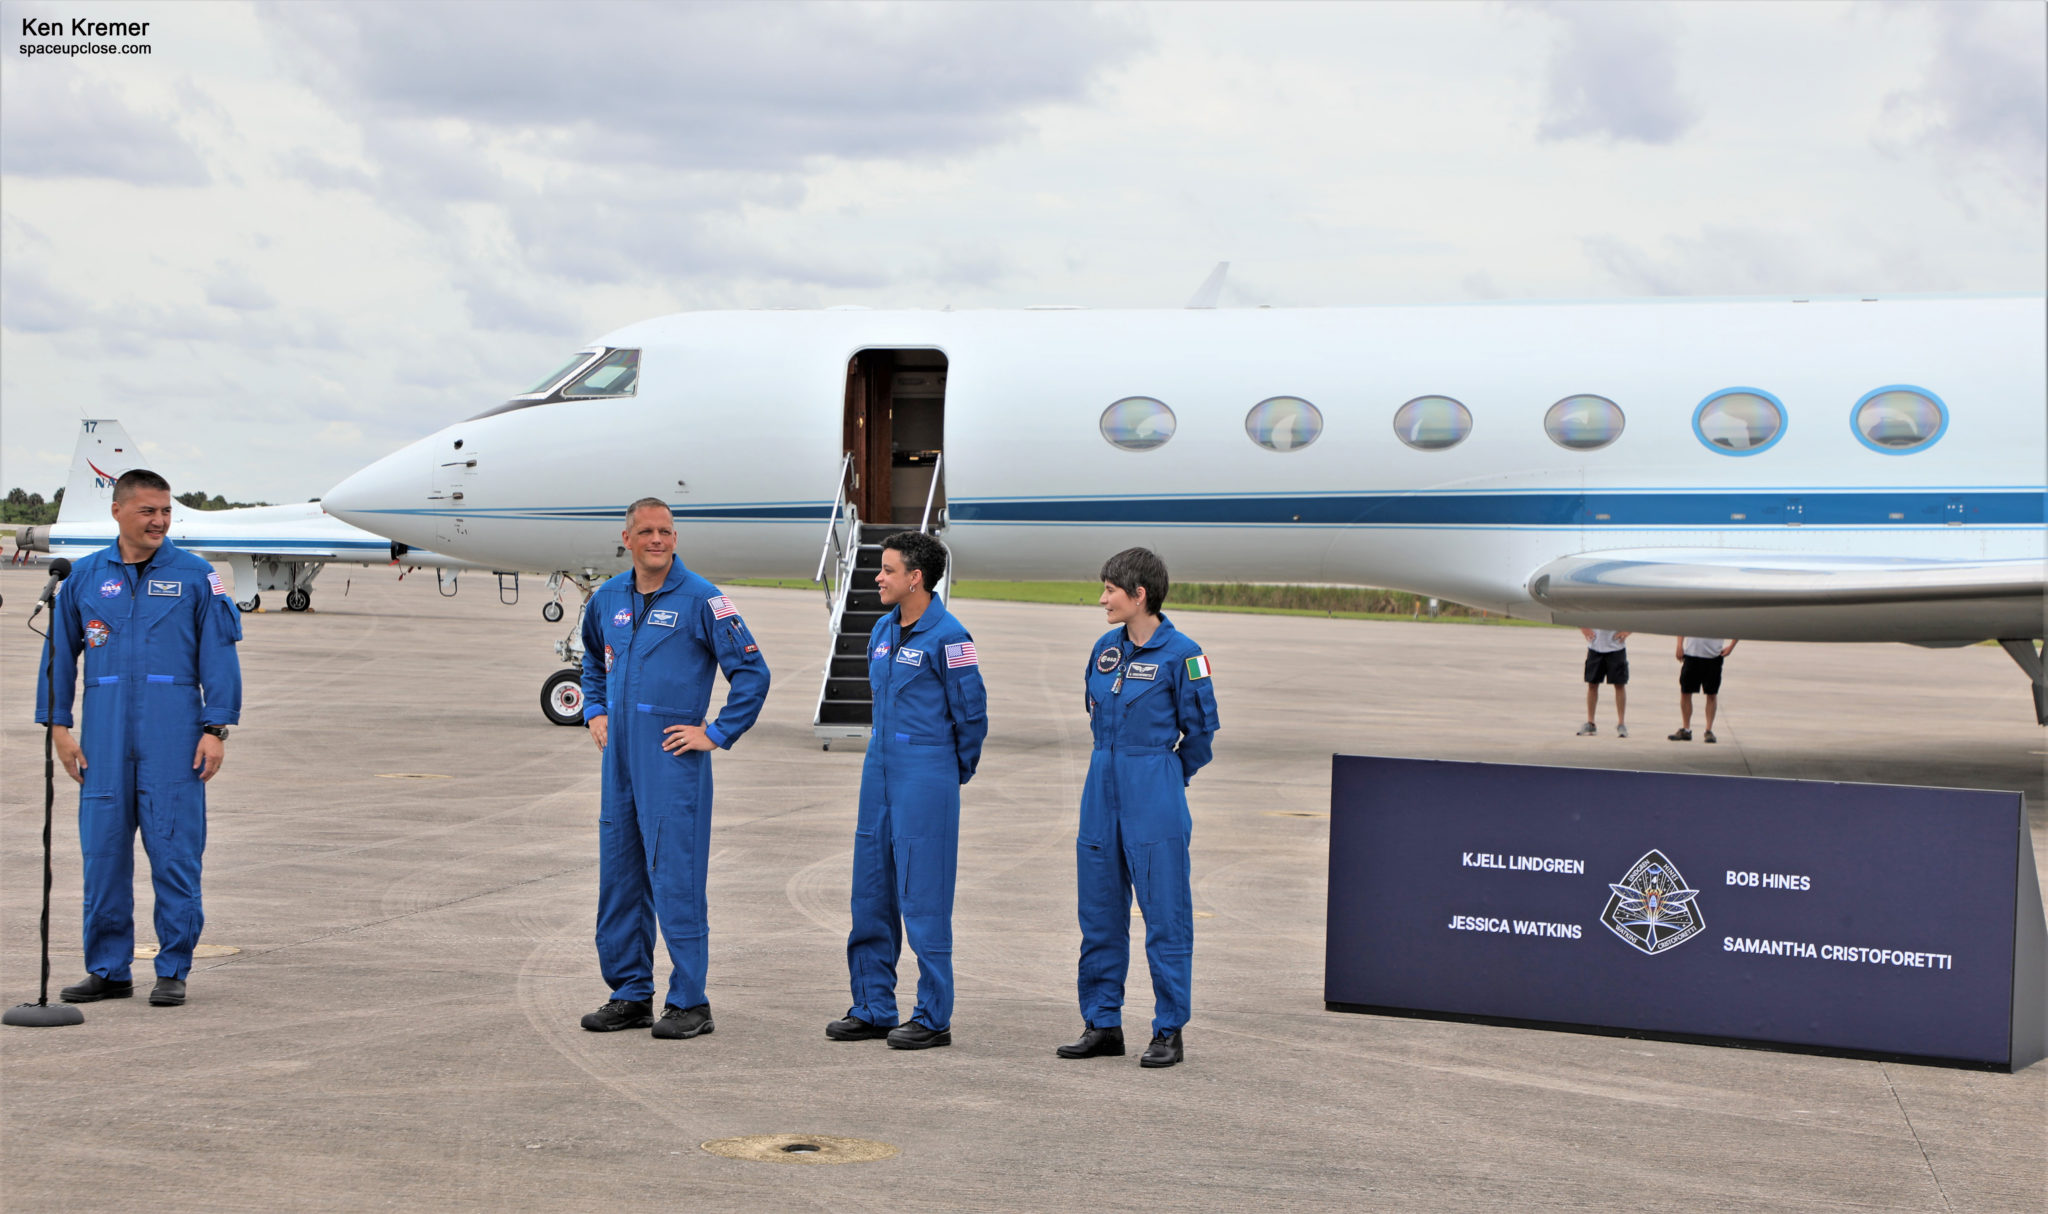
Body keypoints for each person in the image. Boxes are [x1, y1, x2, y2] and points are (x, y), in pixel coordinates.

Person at [37, 469, 241, 1007]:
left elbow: (219, 656)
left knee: (174, 853)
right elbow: (57, 657)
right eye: (148, 511)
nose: (159, 521)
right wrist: (59, 728)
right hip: (102, 734)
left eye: (166, 511)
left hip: (174, 733)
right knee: (102, 855)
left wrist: (215, 729)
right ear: (119, 512)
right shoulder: (82, 578)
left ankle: (172, 966)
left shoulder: (198, 577)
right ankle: (108, 969)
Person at [576, 498, 770, 1039]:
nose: (656, 540)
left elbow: (752, 673)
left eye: (665, 531)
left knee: (675, 879)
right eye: (646, 532)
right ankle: (630, 993)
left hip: (671, 758)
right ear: (628, 538)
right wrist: (594, 709)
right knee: (620, 877)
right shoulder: (608, 598)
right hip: (619, 762)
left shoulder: (704, 600)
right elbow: (592, 658)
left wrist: (714, 733)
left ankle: (690, 1001)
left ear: (675, 538)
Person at [1057, 547, 1219, 1069]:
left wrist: (1166, 775)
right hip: (1100, 787)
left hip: (1154, 788)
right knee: (1099, 916)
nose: (1102, 599)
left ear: (1140, 594)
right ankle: (1103, 1023)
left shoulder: (1183, 655)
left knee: (1166, 917)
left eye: (1111, 589)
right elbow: (1095, 712)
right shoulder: (1104, 648)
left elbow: (1200, 736)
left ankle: (1168, 1029)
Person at [827, 531, 988, 1050]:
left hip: (927, 772)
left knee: (923, 898)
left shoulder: (951, 637)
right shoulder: (881, 628)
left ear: (915, 578)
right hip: (879, 770)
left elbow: (972, 716)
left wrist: (947, 771)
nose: (879, 576)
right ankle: (873, 1006)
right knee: (870, 891)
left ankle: (932, 1015)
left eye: (889, 569)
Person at [1670, 636, 1738, 743]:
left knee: (1711, 694)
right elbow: (1683, 624)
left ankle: (1708, 730)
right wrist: (1679, 645)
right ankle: (1686, 728)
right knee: (1686, 692)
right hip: (1692, 654)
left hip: (1713, 656)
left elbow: (1736, 627)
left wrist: (1731, 646)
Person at [1577, 628, 1630, 737]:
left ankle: (1621, 723)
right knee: (1592, 684)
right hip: (1595, 646)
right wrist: (1583, 628)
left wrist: (1628, 631)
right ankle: (1590, 722)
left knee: (1619, 685)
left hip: (1616, 647)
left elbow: (1635, 615)